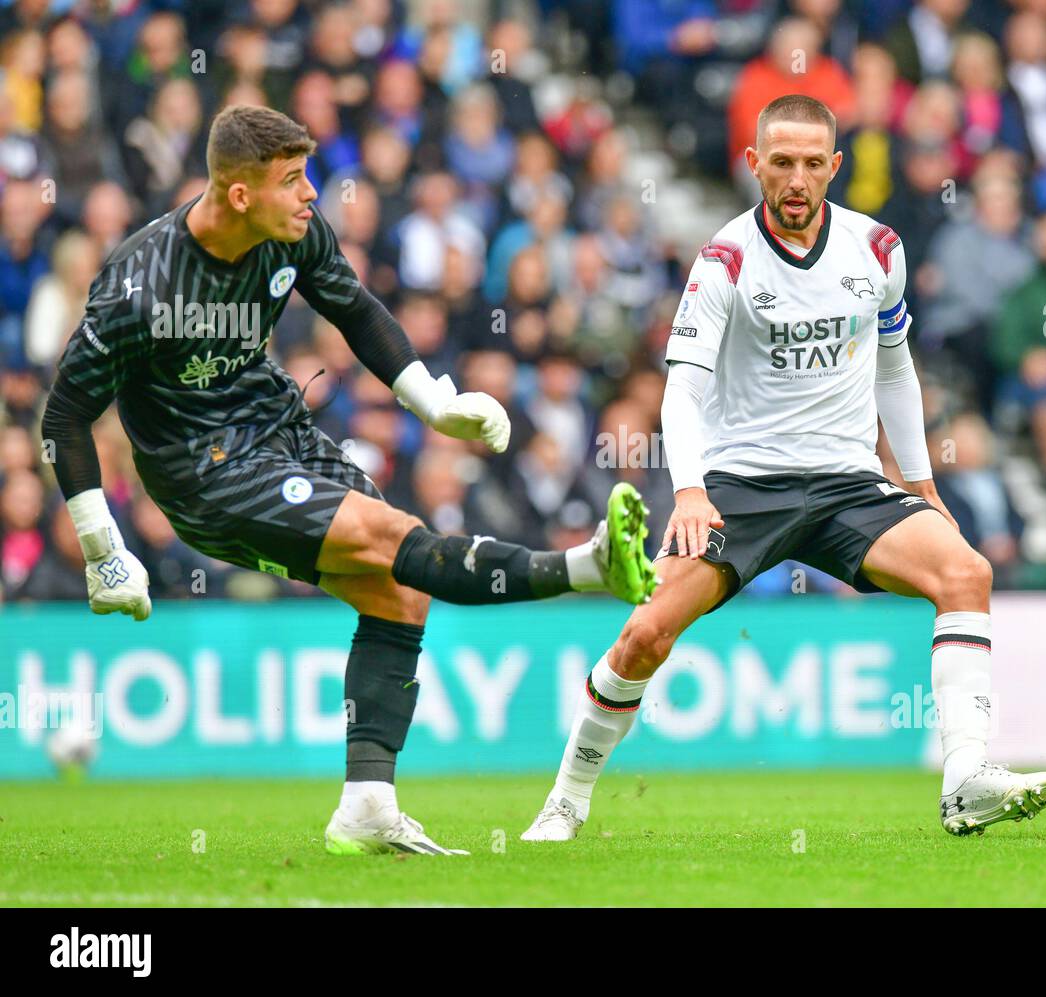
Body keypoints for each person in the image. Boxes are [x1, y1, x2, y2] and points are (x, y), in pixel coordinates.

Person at [39, 105, 658, 858]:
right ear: (240, 195)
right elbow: (65, 415)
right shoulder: (140, 287)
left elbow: (354, 308)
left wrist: (435, 400)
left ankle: (367, 803)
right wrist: (104, 548)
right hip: (203, 474)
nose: (311, 195)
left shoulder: (294, 233)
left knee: (397, 586)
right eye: (293, 180)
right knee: (392, 539)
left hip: (281, 431)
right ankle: (588, 567)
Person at [521, 95, 1046, 842]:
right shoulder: (725, 261)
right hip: (741, 488)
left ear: (835, 166)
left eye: (813, 163)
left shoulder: (878, 250)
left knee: (966, 573)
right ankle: (568, 797)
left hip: (847, 485)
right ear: (754, 165)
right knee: (645, 635)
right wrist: (689, 489)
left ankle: (965, 777)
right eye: (782, 163)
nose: (798, 178)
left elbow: (895, 367)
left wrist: (921, 481)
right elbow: (683, 385)